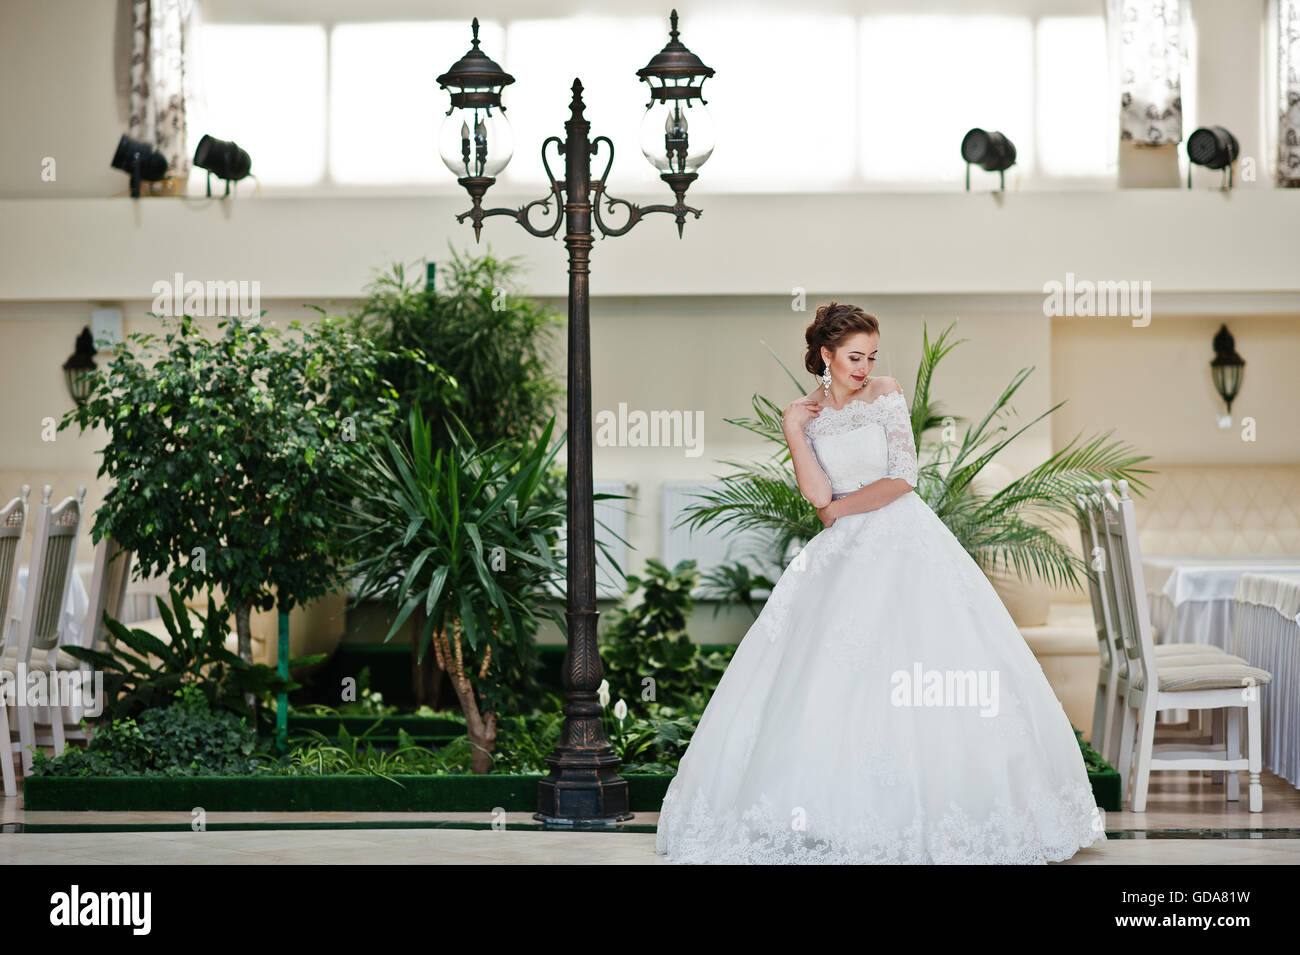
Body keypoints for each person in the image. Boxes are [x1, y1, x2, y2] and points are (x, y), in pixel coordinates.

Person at [654, 301, 1105, 864]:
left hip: (905, 542)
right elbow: (817, 496)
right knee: (826, 675)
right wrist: (794, 429)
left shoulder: (886, 392)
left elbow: (902, 480)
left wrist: (842, 513)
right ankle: (833, 818)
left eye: (869, 355)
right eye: (852, 357)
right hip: (842, 555)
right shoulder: (806, 413)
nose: (863, 367)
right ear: (826, 355)